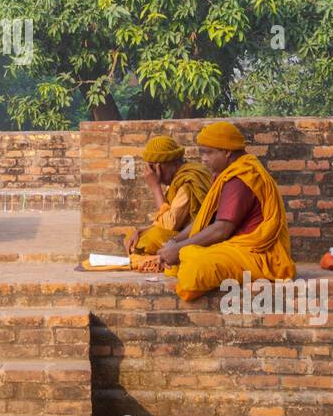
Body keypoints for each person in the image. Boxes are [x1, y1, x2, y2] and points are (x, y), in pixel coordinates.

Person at [157, 122, 295, 301]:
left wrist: (178, 249)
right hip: (236, 247)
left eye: (208, 153)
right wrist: (174, 241)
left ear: (227, 152)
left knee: (195, 266)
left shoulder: (241, 177)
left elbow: (222, 229)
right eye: (202, 153)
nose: (203, 159)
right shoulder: (225, 174)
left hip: (257, 254)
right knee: (183, 257)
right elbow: (204, 221)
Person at [124, 136, 212, 257]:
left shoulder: (187, 182)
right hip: (179, 234)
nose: (152, 173)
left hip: (194, 237)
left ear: (167, 164)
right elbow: (163, 221)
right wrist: (139, 231)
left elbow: (169, 225)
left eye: (153, 167)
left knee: (151, 238)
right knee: (132, 236)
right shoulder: (176, 180)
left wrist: (155, 187)